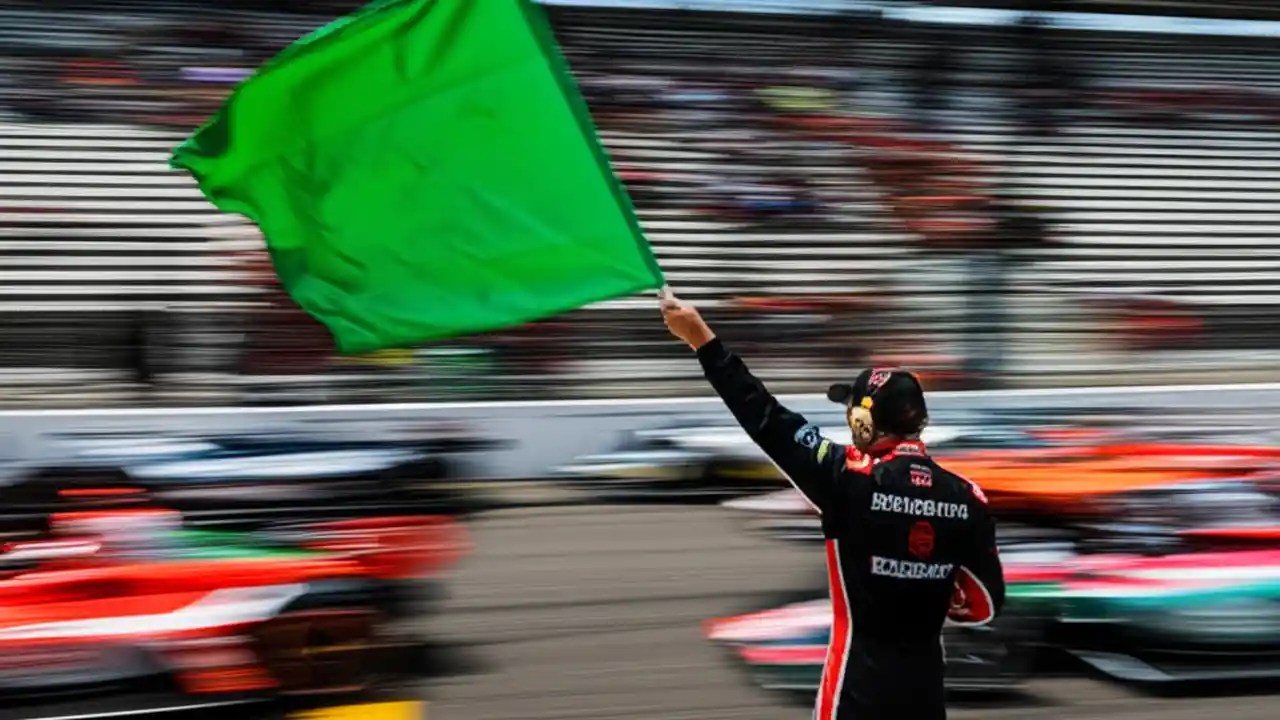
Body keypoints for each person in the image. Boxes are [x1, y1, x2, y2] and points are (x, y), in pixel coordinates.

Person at [659, 288, 1004, 720]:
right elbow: (985, 604)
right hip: (925, 701)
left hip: (855, 696)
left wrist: (702, 341)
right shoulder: (968, 497)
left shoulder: (846, 477)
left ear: (863, 422)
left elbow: (764, 416)